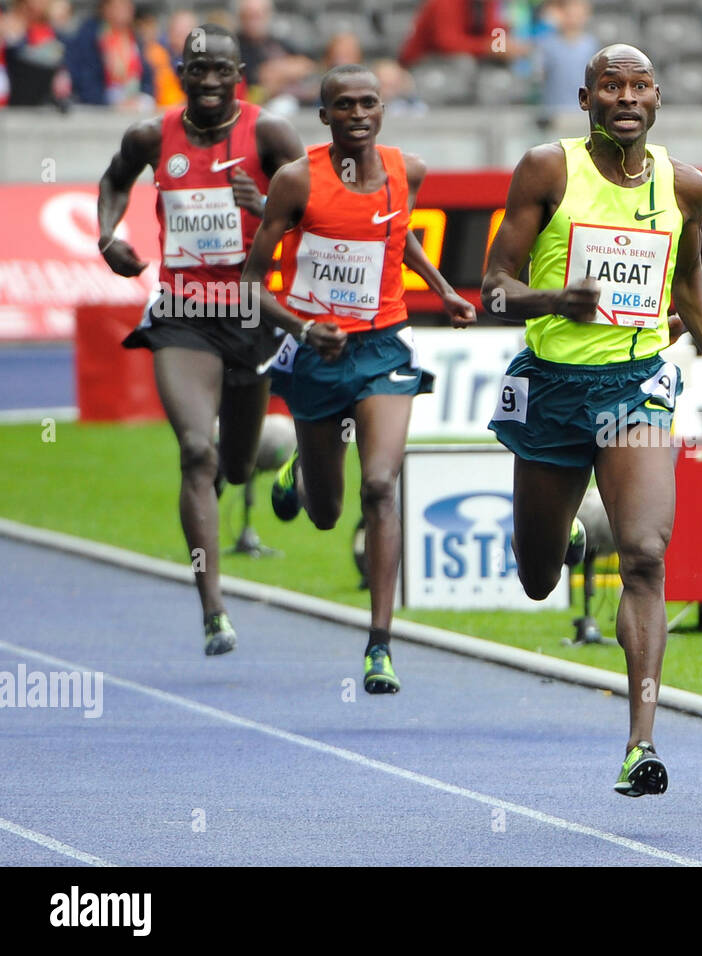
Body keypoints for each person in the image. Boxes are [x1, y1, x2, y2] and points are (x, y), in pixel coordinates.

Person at [481, 44, 702, 797]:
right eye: (609, 86)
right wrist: (552, 301)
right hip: (552, 388)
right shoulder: (546, 170)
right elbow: (491, 292)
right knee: (536, 578)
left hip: (636, 388)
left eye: (638, 86)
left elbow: (690, 278)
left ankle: (641, 741)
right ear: (586, 97)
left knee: (645, 555)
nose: (625, 97)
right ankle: (559, 531)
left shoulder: (684, 184)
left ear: (657, 99)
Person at [243, 64, 477, 694]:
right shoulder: (296, 181)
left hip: (383, 348)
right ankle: (299, 467)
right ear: (324, 116)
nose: (357, 113)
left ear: (382, 109)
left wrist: (445, 290)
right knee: (324, 513)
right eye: (343, 104)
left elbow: (399, 238)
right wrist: (298, 327)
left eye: (368, 102)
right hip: (318, 352)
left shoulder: (409, 171)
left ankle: (380, 643)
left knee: (380, 484)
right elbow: (246, 282)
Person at [97, 22, 304, 654]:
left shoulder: (268, 132)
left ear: (240, 73)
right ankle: (213, 609)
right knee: (195, 451)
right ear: (182, 73)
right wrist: (108, 238)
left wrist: (264, 198)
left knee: (235, 465)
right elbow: (113, 181)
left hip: (249, 311)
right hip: (183, 312)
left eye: (222, 70)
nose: (209, 81)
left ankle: (229, 477)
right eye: (198, 70)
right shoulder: (151, 134)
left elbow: (315, 211)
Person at [67, 0, 155, 108]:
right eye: (119, 6)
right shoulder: (91, 36)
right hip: (103, 100)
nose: (125, 10)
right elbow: (86, 77)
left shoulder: (135, 37)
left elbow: (146, 76)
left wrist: (140, 96)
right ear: (105, 8)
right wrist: (106, 101)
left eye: (128, 5)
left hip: (133, 97)